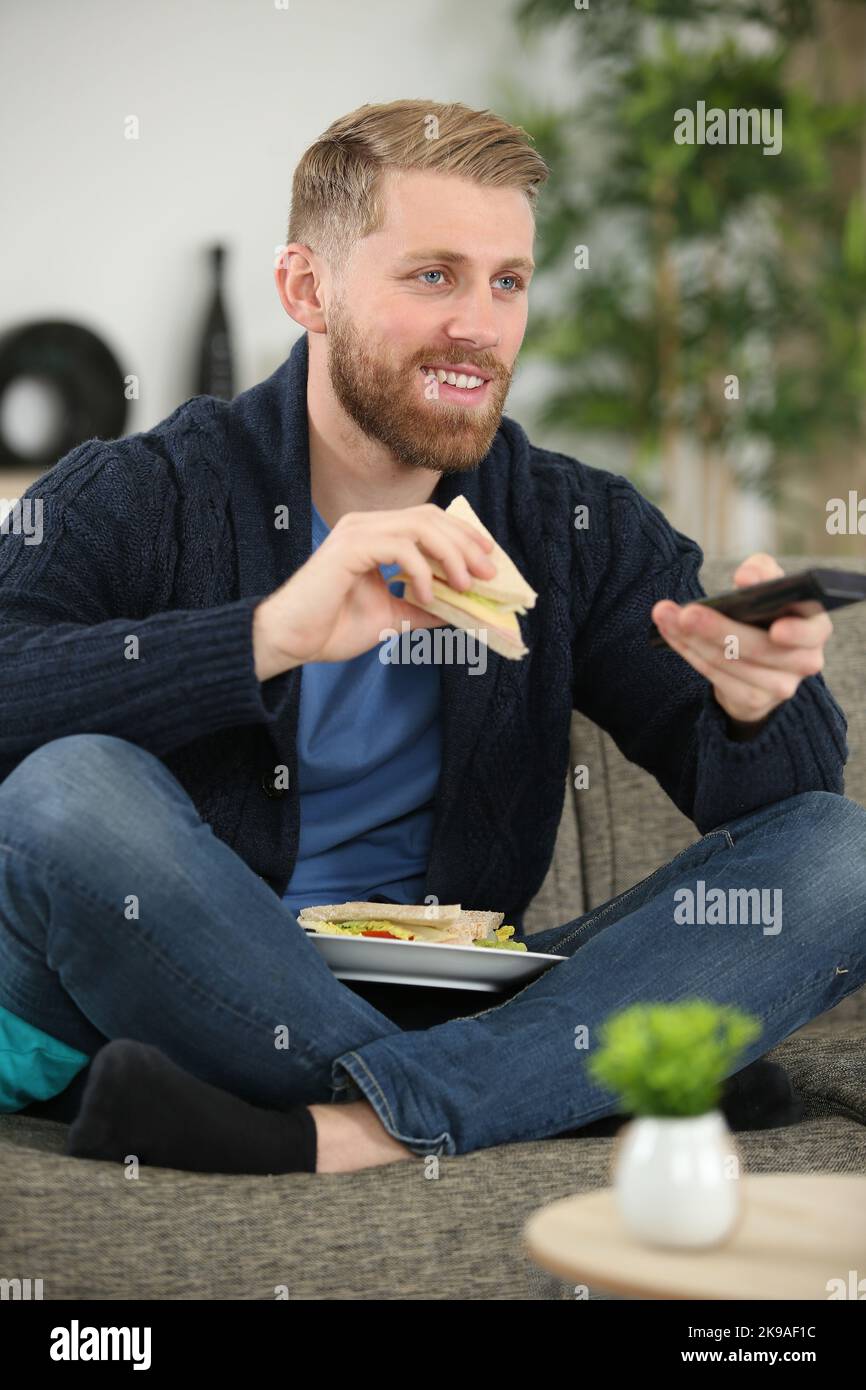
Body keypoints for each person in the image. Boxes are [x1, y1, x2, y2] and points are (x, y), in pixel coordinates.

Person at [0, 99, 863, 1178]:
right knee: (67, 791)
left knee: (842, 850)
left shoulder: (568, 523)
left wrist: (754, 705)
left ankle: (350, 1124)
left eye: (507, 281)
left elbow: (774, 820)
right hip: (175, 975)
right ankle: (560, 1083)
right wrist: (263, 635)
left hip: (446, 989)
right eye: (432, 276)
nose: (479, 325)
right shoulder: (138, 492)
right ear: (306, 290)